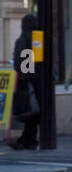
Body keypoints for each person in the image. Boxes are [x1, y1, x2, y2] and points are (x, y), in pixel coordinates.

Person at [8, 13, 40, 149]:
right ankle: (28, 139)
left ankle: (27, 140)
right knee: (33, 112)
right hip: (38, 80)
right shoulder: (37, 38)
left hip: (27, 81)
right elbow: (38, 60)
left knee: (29, 111)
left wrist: (25, 75)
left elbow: (23, 63)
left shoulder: (22, 39)